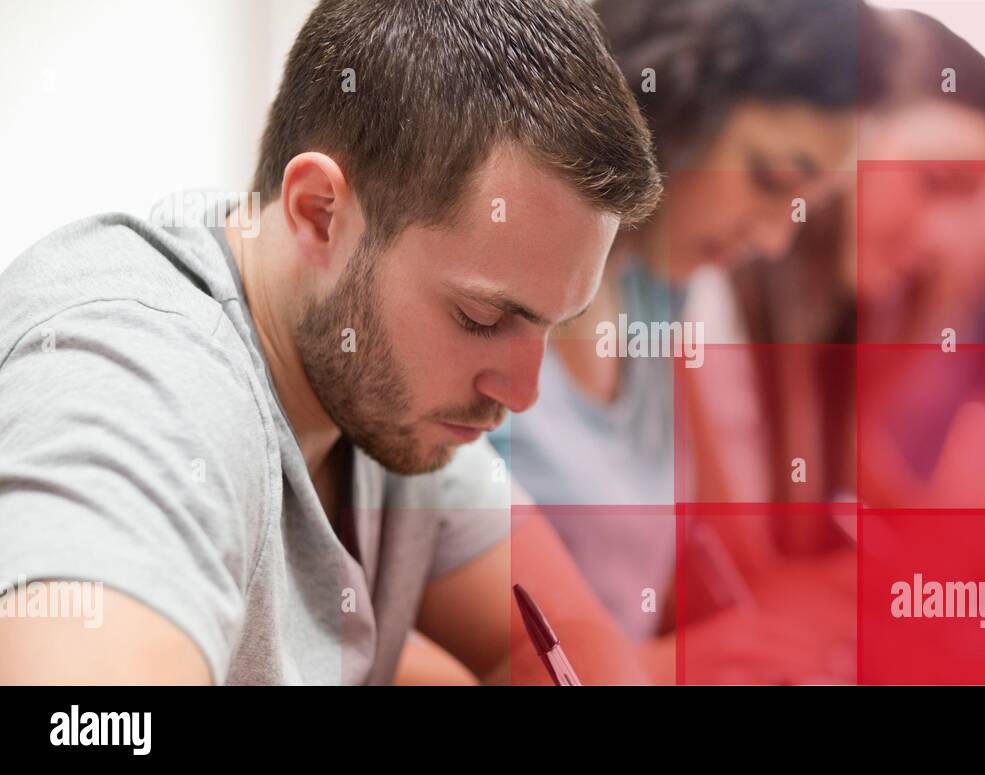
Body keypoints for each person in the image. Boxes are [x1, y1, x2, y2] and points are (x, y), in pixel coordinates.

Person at [0, 0, 661, 685]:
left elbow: (561, 652)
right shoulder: (136, 381)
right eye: (482, 318)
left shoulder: (388, 399)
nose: (522, 393)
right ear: (319, 212)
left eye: (556, 323)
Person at [484, 0, 893, 681]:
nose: (771, 240)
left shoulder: (658, 287)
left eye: (803, 208)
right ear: (670, 100)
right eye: (769, 181)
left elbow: (693, 577)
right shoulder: (485, 295)